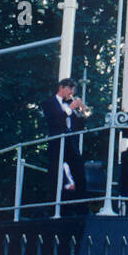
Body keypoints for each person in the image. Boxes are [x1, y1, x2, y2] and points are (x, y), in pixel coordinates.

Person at [40, 78, 87, 213]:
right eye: (70, 89)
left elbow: (79, 127)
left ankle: (81, 208)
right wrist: (70, 109)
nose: (71, 92)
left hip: (71, 144)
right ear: (61, 87)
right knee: (55, 175)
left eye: (73, 90)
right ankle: (54, 208)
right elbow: (55, 122)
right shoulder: (49, 103)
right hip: (57, 144)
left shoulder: (69, 105)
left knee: (79, 174)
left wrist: (82, 112)